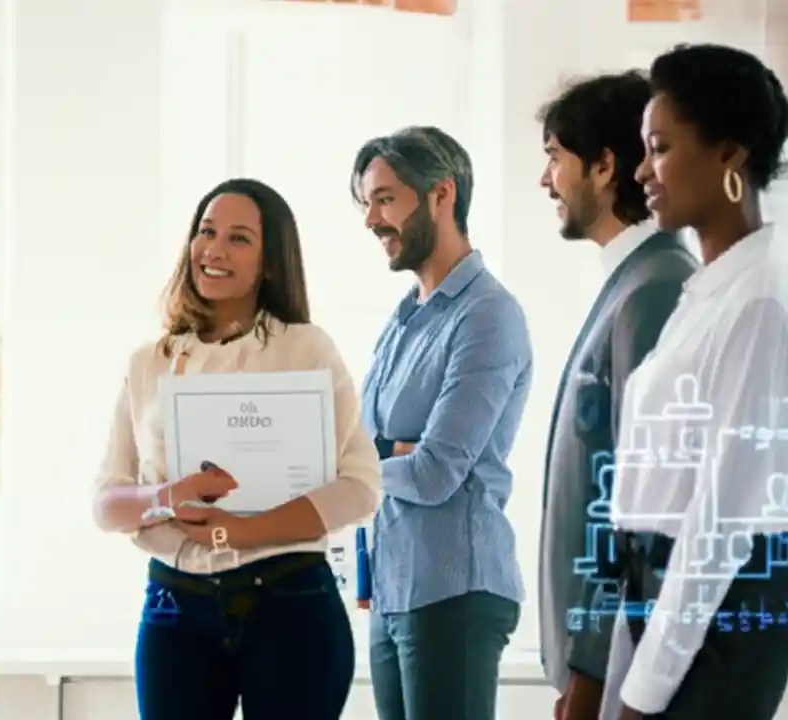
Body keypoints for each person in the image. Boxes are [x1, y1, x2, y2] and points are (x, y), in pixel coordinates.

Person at [91, 178, 381, 720]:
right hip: (175, 608)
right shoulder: (147, 361)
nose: (214, 250)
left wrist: (236, 531)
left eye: (239, 238)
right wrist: (166, 498)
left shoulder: (305, 348)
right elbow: (106, 503)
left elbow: (360, 489)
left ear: (270, 263)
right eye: (206, 232)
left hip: (290, 602)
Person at [605, 43, 788, 720]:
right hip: (662, 599)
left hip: (717, 619)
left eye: (659, 147)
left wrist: (642, 697)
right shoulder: (711, 288)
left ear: (729, 155)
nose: (644, 170)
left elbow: (723, 517)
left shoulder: (759, 301)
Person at [533, 72, 699, 720]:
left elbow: (635, 509)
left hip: (614, 668)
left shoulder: (656, 291)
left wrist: (591, 667)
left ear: (605, 166)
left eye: (554, 157)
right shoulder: (628, 285)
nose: (546, 181)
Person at [352, 126, 531, 720]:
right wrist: (385, 453)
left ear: (441, 194)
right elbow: (363, 449)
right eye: (367, 203)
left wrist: (373, 457)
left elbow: (434, 473)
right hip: (392, 592)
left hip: (454, 591)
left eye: (384, 199)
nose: (372, 220)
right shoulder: (403, 320)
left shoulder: (488, 315)